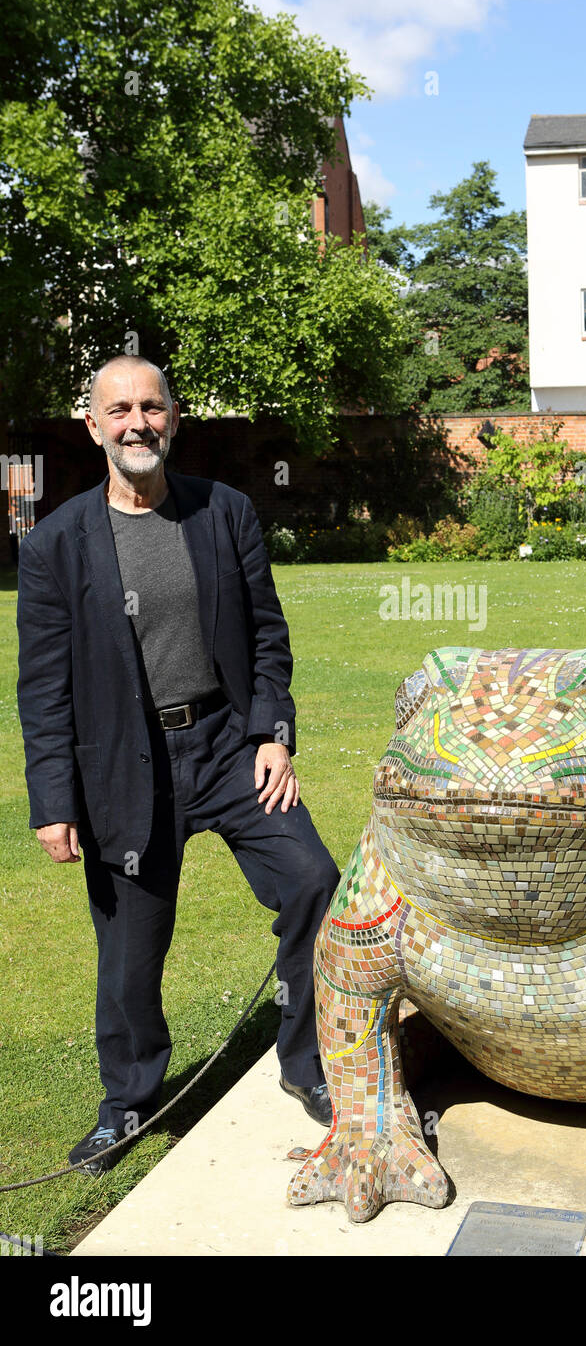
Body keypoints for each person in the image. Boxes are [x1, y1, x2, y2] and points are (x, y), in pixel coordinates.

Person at [16, 354, 340, 1175]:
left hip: (230, 747)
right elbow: (43, 689)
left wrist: (273, 733)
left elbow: (268, 634)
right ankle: (125, 1104)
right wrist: (54, 800)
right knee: (130, 952)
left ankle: (309, 1064)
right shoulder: (56, 544)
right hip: (125, 766)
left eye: (151, 407)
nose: (137, 423)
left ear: (174, 416)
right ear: (94, 426)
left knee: (310, 881)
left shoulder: (222, 512)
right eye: (119, 410)